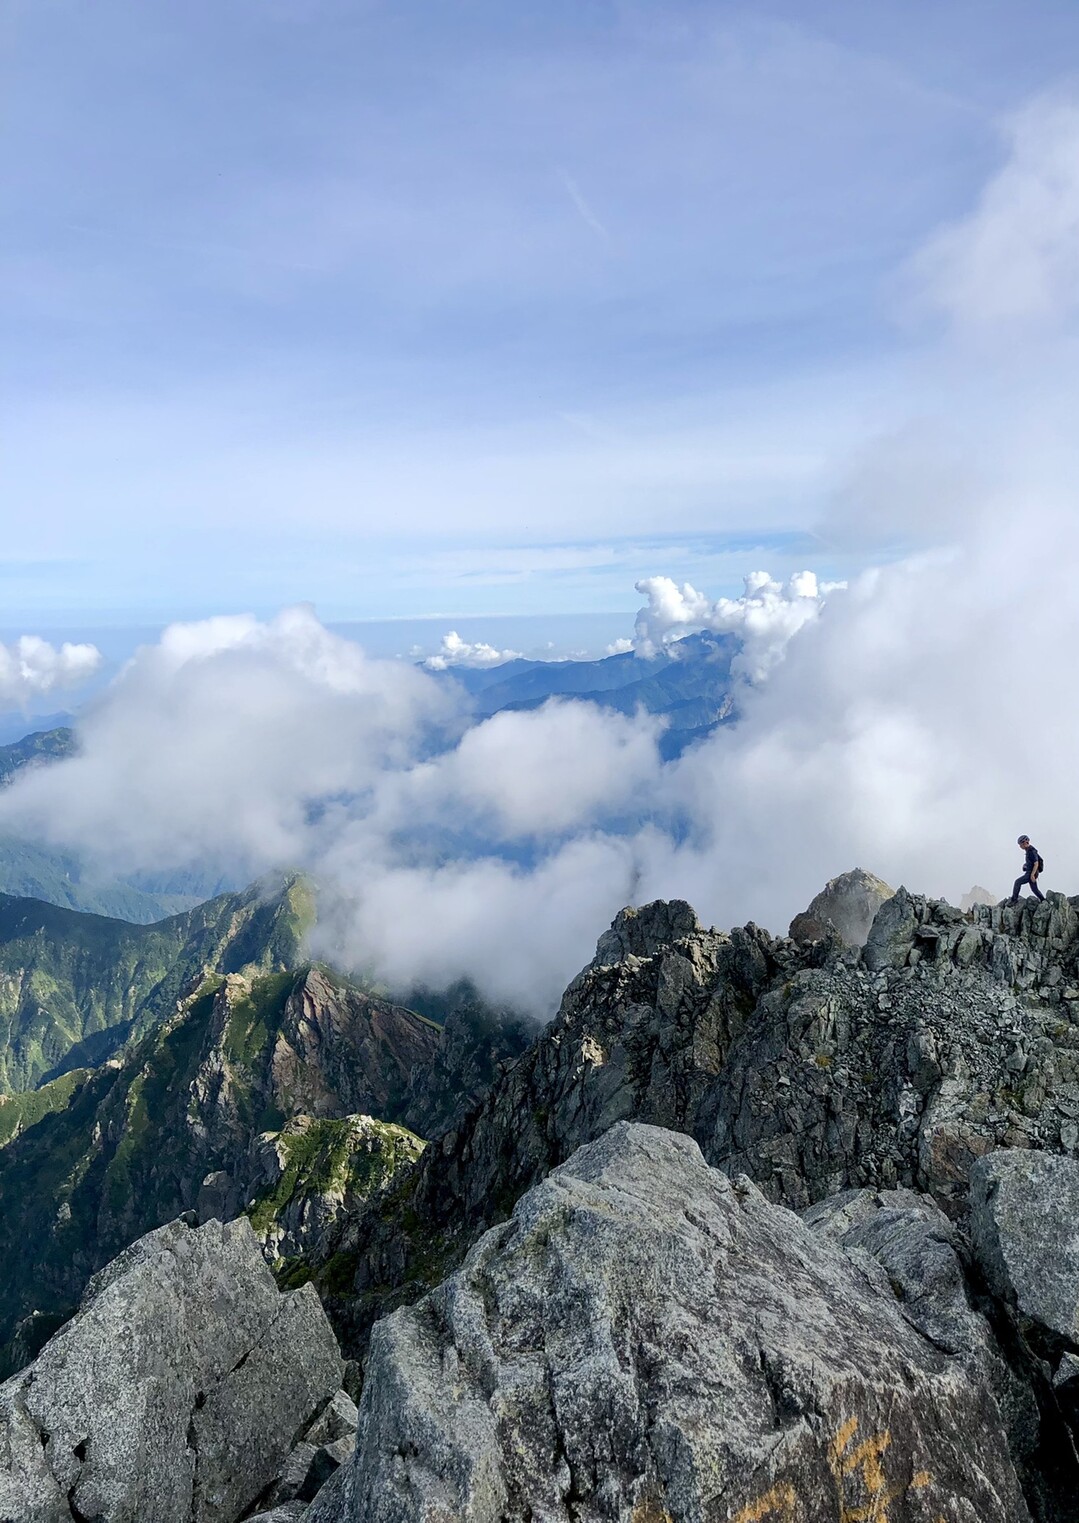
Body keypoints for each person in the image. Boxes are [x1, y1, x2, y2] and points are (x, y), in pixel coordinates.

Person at [1010, 835, 1045, 905]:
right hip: (1031, 872)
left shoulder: (1031, 851)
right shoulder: (1029, 850)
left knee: (1017, 882)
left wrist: (1032, 875)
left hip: (1031, 873)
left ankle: (1014, 900)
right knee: (1034, 889)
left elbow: (1036, 863)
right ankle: (1043, 900)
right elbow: (1032, 862)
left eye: (1020, 844)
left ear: (1025, 843)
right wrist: (1025, 865)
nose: (1020, 846)